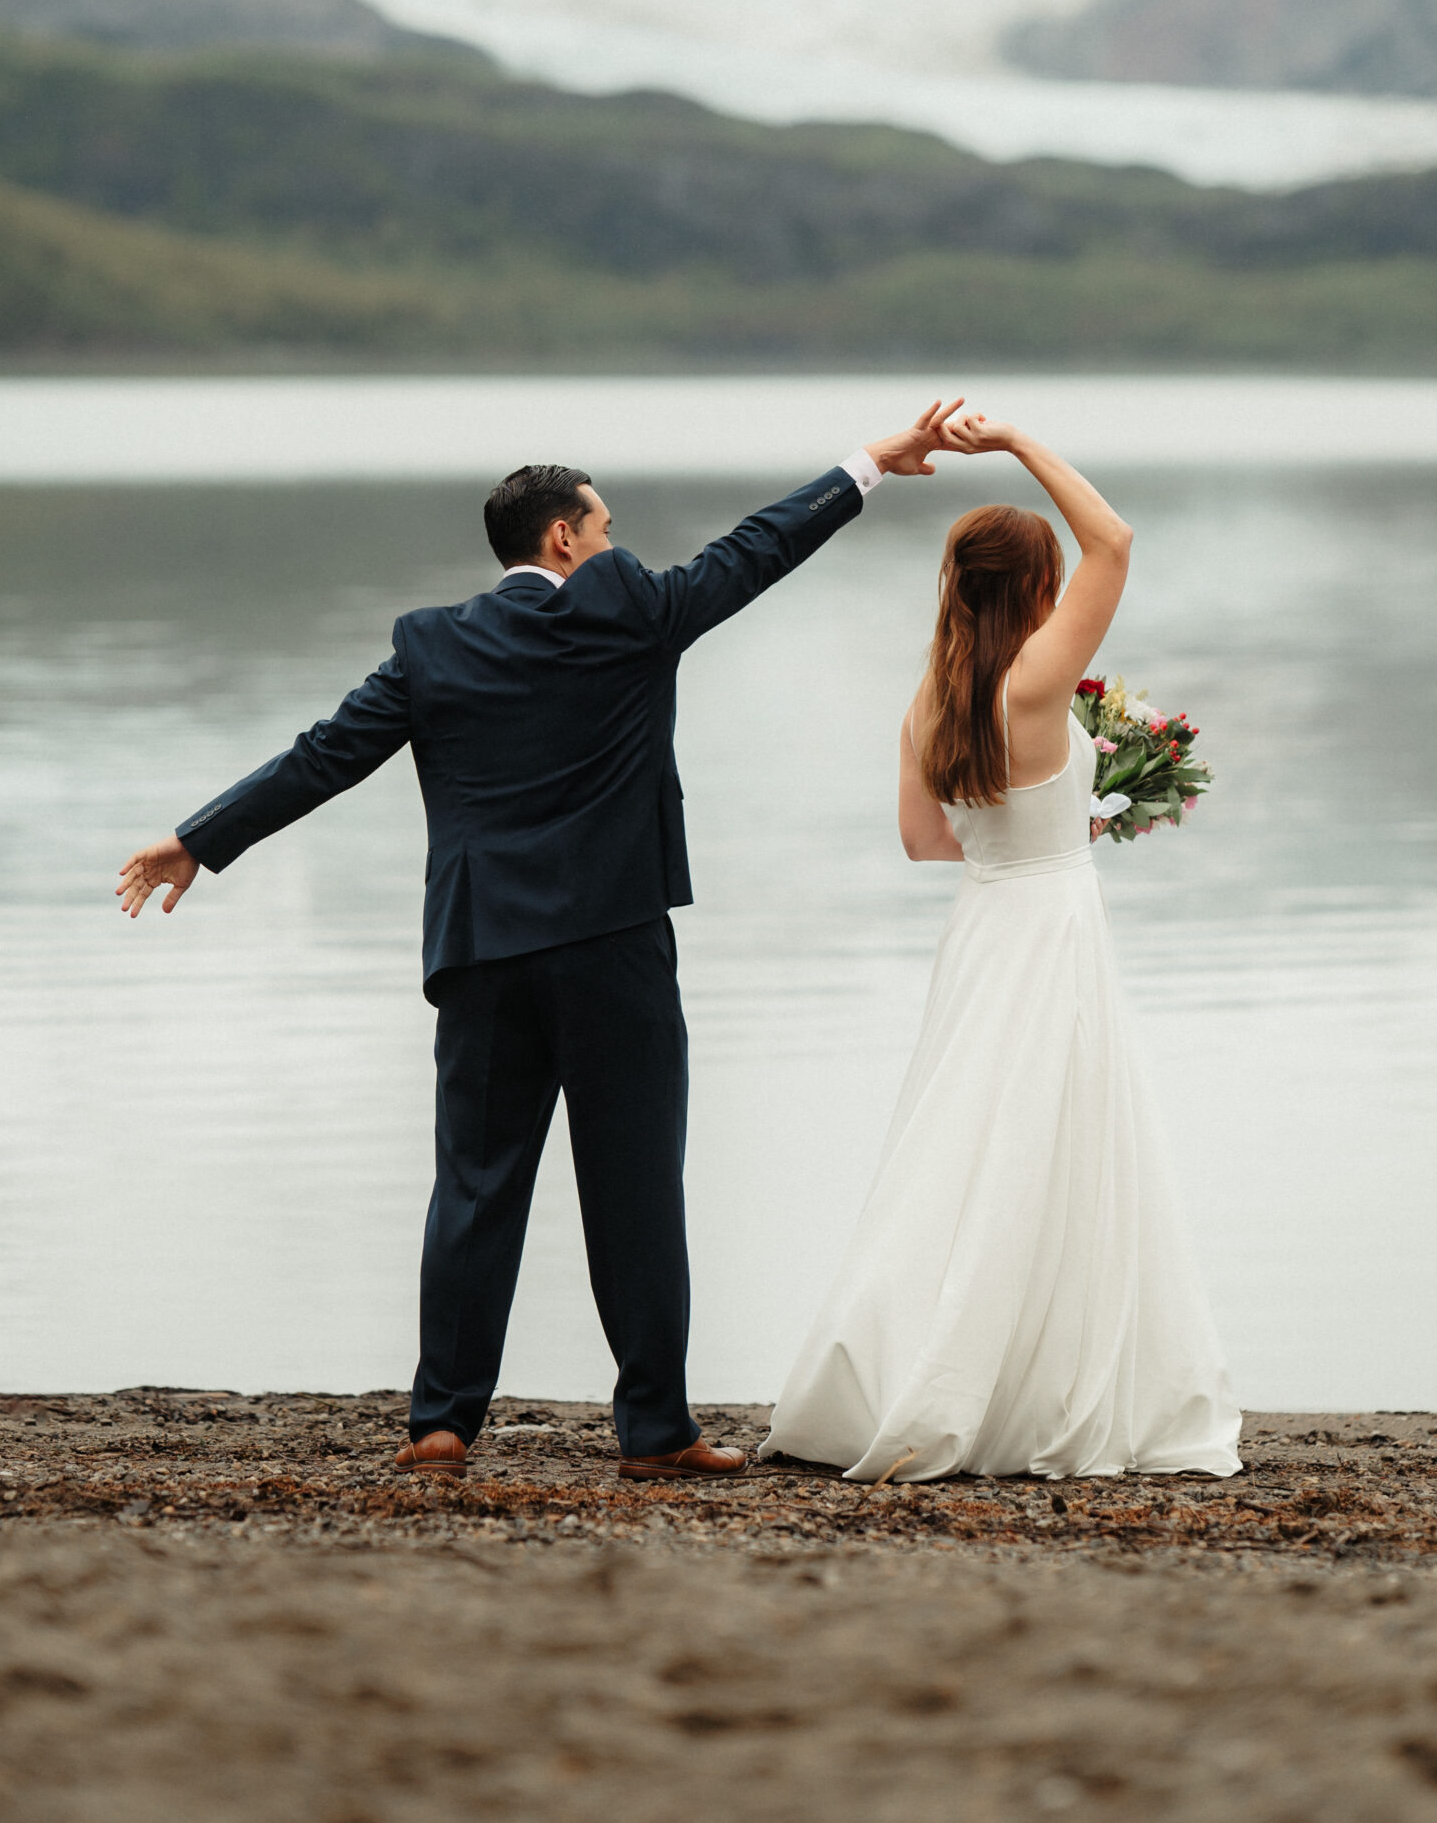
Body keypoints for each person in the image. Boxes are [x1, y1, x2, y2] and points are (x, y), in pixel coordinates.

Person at [116, 401, 962, 1483]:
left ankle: (440, 1424)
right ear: (563, 537)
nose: (614, 543)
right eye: (602, 526)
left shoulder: (431, 645)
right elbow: (757, 550)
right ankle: (655, 1430)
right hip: (611, 946)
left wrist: (198, 839)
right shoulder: (633, 612)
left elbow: (322, 755)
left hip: (481, 953)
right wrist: (867, 466)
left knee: (473, 1183)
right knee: (636, 1187)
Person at [763, 411, 1241, 1483]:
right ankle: (1033, 1378)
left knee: (959, 1145)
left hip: (981, 929)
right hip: (1054, 922)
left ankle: (899, 1370)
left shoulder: (928, 702)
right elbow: (1113, 542)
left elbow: (923, 841)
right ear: (1034, 588)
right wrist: (1022, 444)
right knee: (1057, 1149)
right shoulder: (1032, 681)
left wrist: (1025, 834)